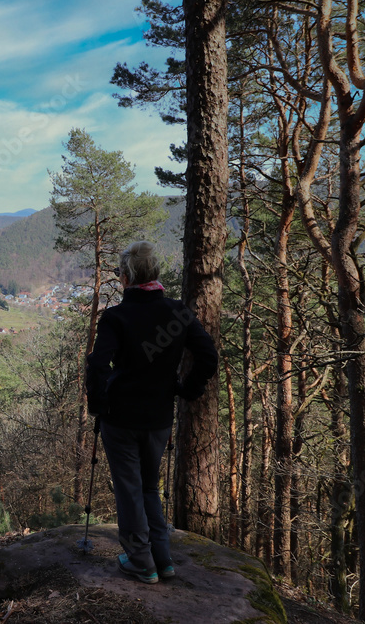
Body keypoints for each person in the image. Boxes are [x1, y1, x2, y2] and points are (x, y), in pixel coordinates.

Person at [85, 241, 218, 584]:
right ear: (155, 274)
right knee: (147, 487)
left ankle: (141, 562)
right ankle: (162, 557)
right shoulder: (178, 313)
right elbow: (208, 356)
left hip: (120, 416)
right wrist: (187, 390)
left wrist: (97, 405)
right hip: (159, 418)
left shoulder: (116, 317)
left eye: (119, 273)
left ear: (126, 277)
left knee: (129, 488)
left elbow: (98, 364)